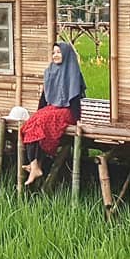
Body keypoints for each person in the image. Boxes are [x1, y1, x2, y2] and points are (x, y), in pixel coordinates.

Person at [21, 42, 86, 186]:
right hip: (53, 108)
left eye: (59, 52)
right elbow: (44, 96)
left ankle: (34, 166)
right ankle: (34, 165)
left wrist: (78, 119)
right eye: (53, 52)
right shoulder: (50, 71)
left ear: (66, 54)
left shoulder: (72, 72)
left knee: (41, 123)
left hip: (67, 111)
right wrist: (38, 113)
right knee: (31, 123)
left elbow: (75, 97)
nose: (55, 55)